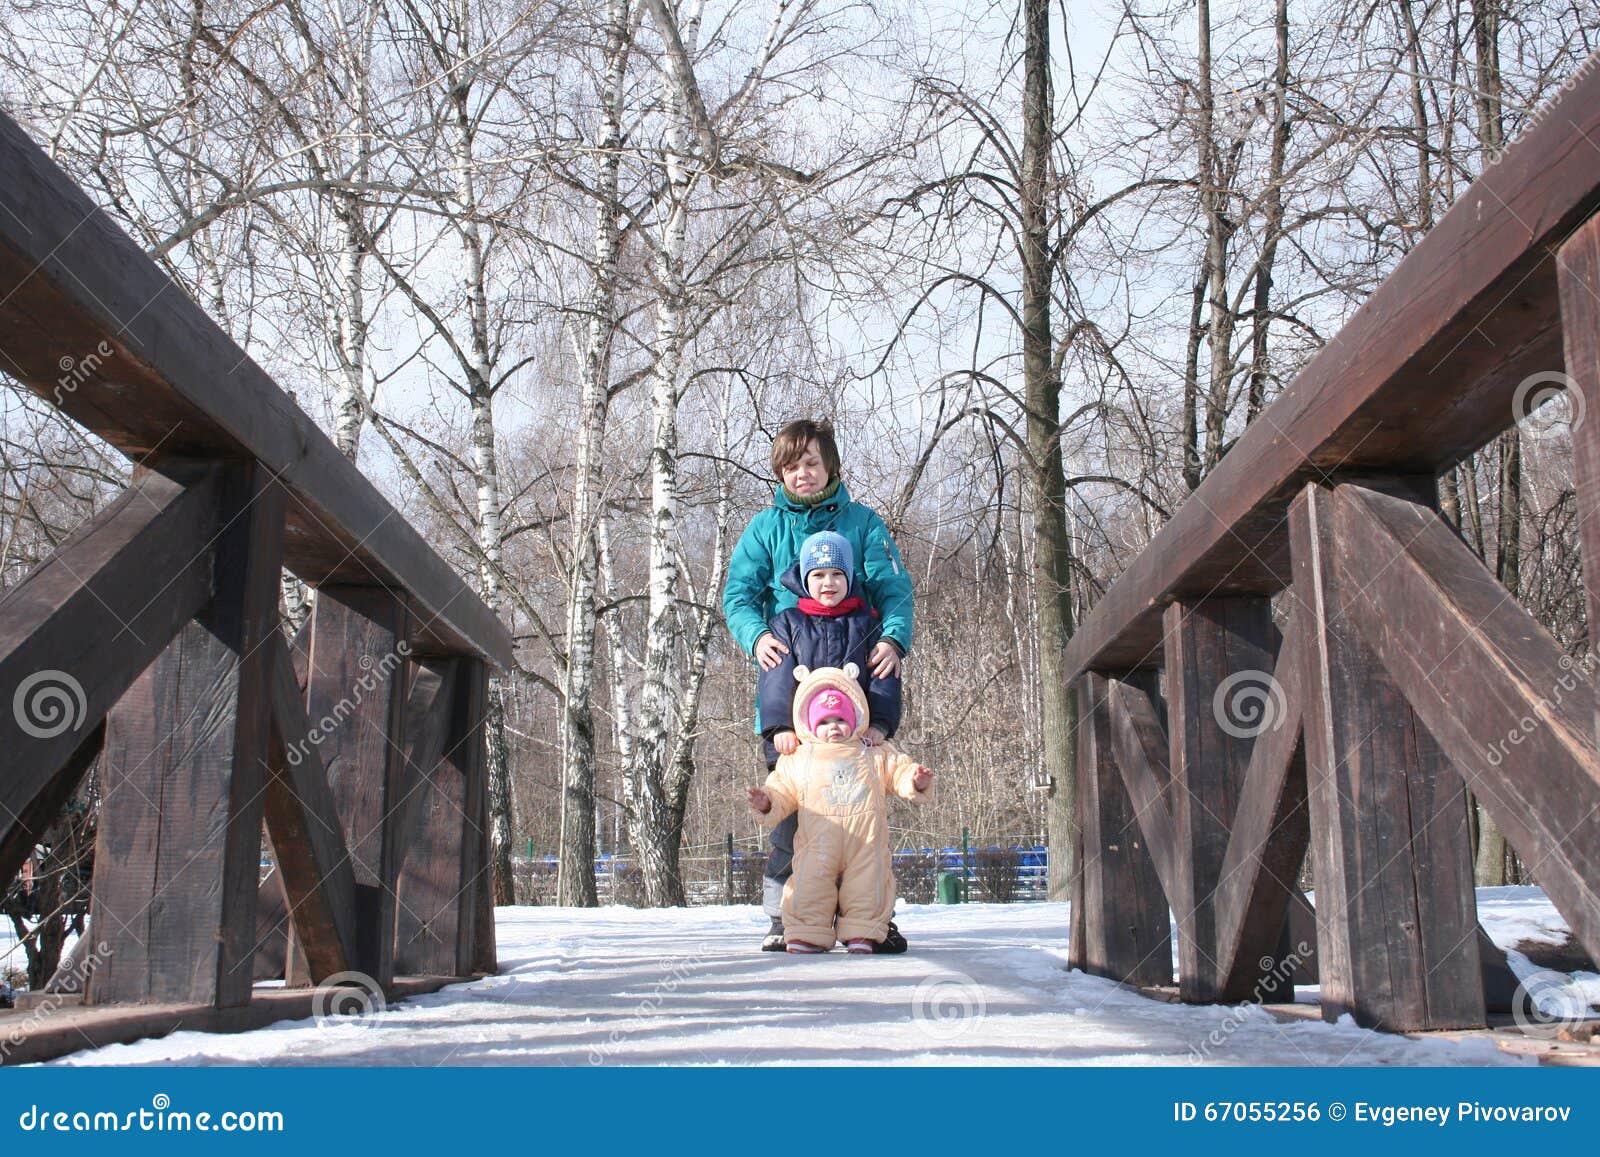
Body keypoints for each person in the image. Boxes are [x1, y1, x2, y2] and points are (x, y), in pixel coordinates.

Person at [722, 418, 915, 951]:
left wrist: (894, 640)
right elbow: (737, 594)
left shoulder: (864, 523)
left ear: (829, 465)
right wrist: (756, 636)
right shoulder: (764, 528)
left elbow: (894, 587)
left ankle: (871, 915)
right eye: (790, 466)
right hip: (793, 677)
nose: (801, 474)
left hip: (858, 677)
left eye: (810, 463)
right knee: (793, 797)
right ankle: (785, 914)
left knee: (864, 804)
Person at [746, 667, 933, 953]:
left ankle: (863, 932)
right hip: (817, 842)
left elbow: (899, 771)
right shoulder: (799, 756)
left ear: (855, 718)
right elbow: (782, 789)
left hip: (865, 843)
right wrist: (767, 801)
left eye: (840, 720)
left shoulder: (873, 751)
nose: (833, 727)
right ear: (808, 724)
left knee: (867, 886)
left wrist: (915, 780)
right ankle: (807, 932)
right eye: (824, 721)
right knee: (809, 885)